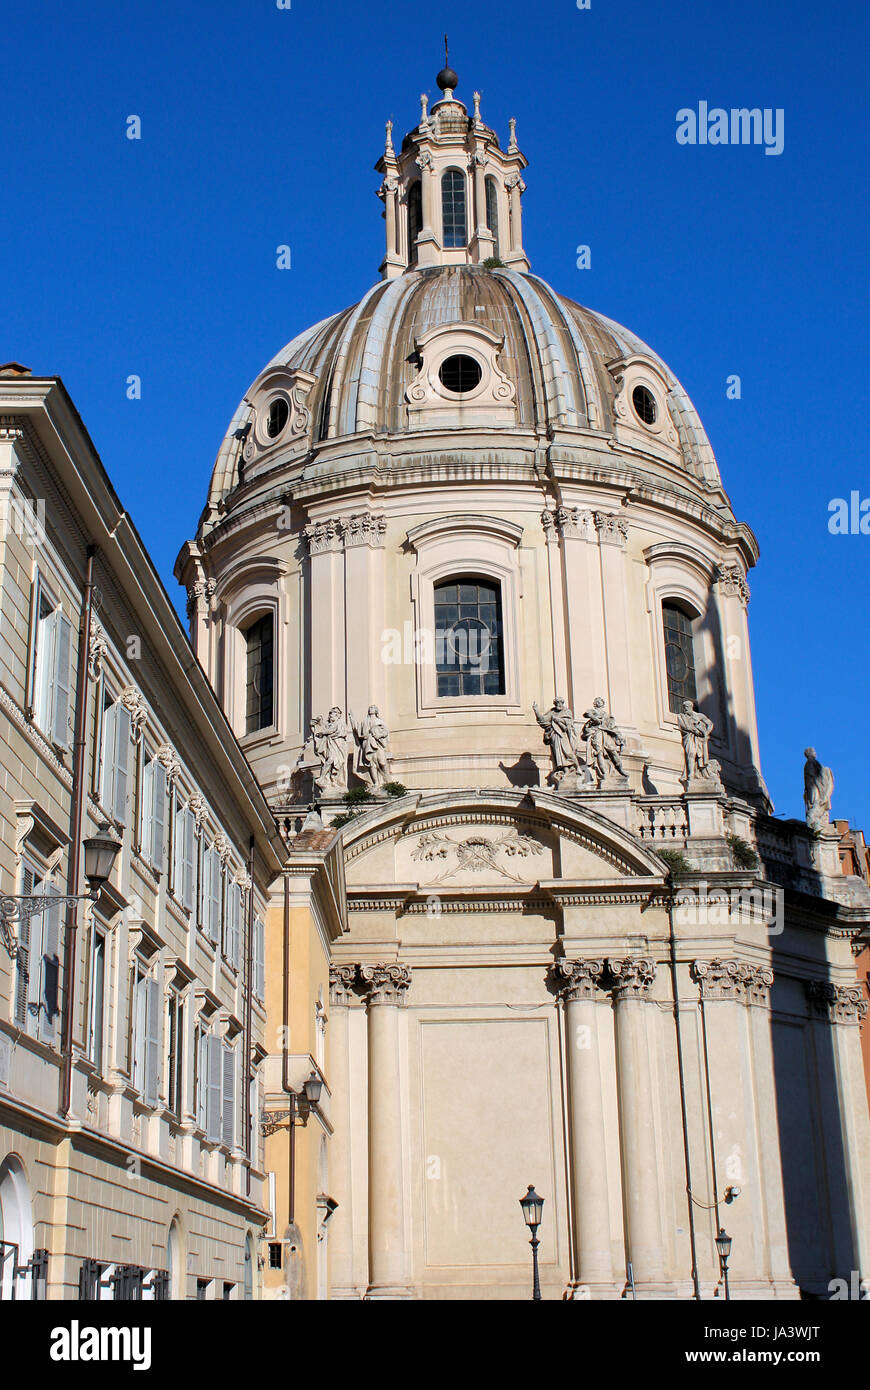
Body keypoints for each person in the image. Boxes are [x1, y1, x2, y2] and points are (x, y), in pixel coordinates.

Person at [533, 697, 583, 784]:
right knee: (559, 755)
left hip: (564, 736)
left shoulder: (567, 711)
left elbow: (569, 723)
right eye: (556, 703)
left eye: (560, 703)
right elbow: (543, 721)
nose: (558, 705)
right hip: (555, 736)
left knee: (569, 753)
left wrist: (557, 719)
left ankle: (577, 768)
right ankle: (566, 770)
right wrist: (536, 711)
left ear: (562, 703)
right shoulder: (552, 712)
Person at [349, 706, 392, 790]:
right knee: (371, 764)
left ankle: (387, 781)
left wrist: (379, 735)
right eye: (370, 707)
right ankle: (376, 783)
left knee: (382, 762)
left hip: (377, 743)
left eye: (373, 707)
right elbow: (359, 733)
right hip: (367, 743)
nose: (370, 708)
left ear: (376, 710)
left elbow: (385, 731)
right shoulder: (365, 721)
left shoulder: (379, 721)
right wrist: (352, 720)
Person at [678, 700, 714, 781]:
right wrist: (696, 731)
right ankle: (691, 774)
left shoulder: (699, 715)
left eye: (687, 706)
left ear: (691, 707)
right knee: (691, 753)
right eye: (684, 707)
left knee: (699, 755)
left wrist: (706, 733)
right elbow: (683, 727)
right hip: (689, 737)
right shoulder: (681, 716)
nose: (685, 708)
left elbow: (710, 724)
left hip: (699, 739)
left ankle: (699, 772)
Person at [803, 747, 834, 830]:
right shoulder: (811, 763)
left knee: (816, 805)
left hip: (813, 788)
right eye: (813, 752)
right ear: (809, 753)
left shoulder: (811, 763)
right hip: (814, 788)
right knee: (816, 804)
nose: (815, 753)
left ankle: (816, 821)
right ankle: (814, 822)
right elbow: (815, 778)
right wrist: (823, 793)